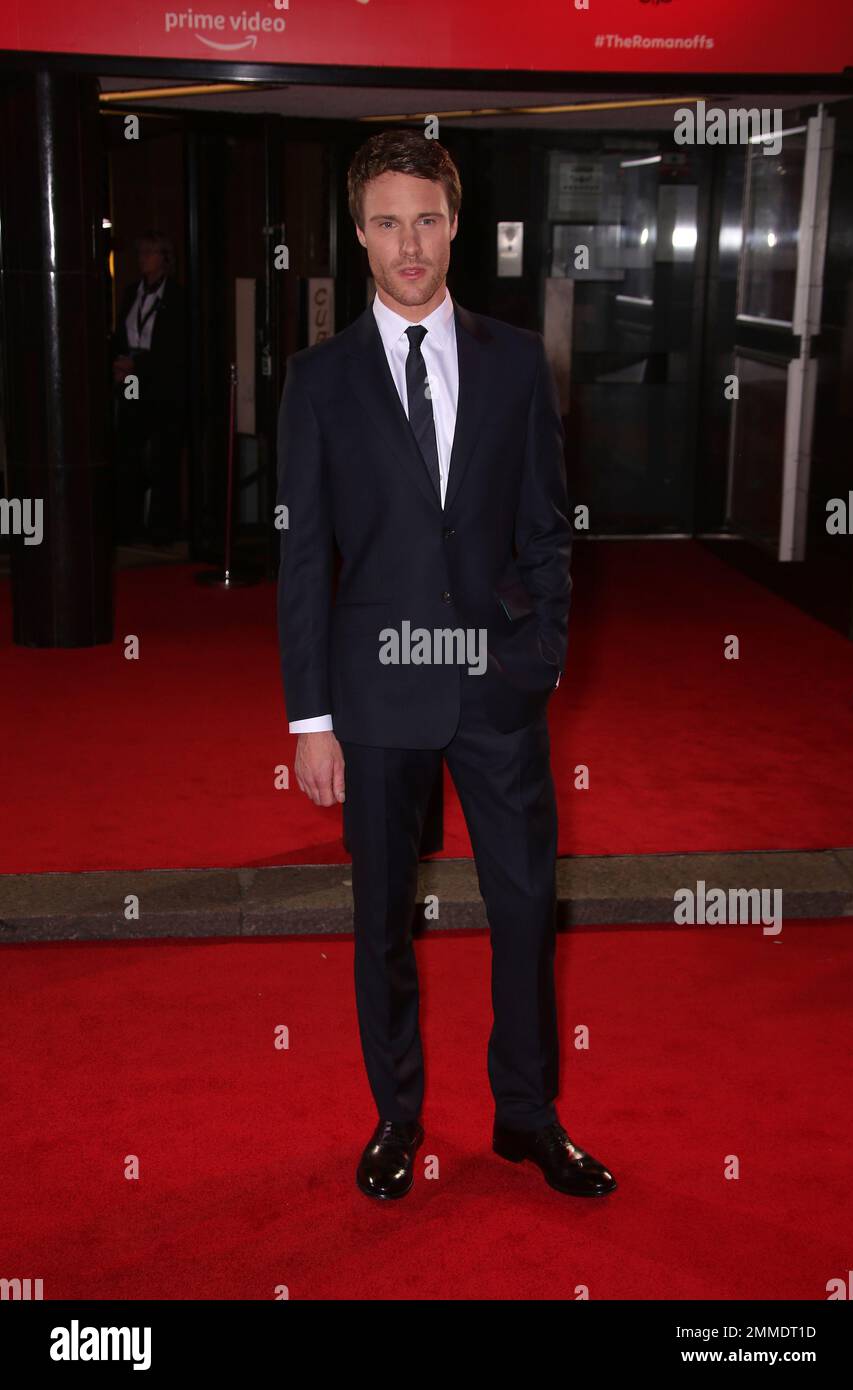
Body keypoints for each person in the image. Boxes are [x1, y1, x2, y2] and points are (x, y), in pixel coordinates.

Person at [276, 130, 616, 1201]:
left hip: (494, 682)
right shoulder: (318, 381)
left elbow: (545, 530)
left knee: (522, 907)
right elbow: (300, 557)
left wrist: (537, 658)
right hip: (372, 690)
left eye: (425, 217)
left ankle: (525, 1114)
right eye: (385, 221)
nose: (408, 242)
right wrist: (308, 719)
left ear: (455, 221)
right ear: (359, 232)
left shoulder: (517, 362)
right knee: (381, 918)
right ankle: (396, 1118)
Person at [112, 232, 186, 545]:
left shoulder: (177, 297)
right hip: (130, 382)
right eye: (141, 252)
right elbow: (120, 334)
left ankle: (162, 526)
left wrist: (138, 366)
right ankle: (129, 525)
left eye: (150, 253)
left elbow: (175, 348)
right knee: (129, 450)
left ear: (164, 259)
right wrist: (117, 362)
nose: (143, 258)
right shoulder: (132, 293)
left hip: (161, 384)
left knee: (163, 456)